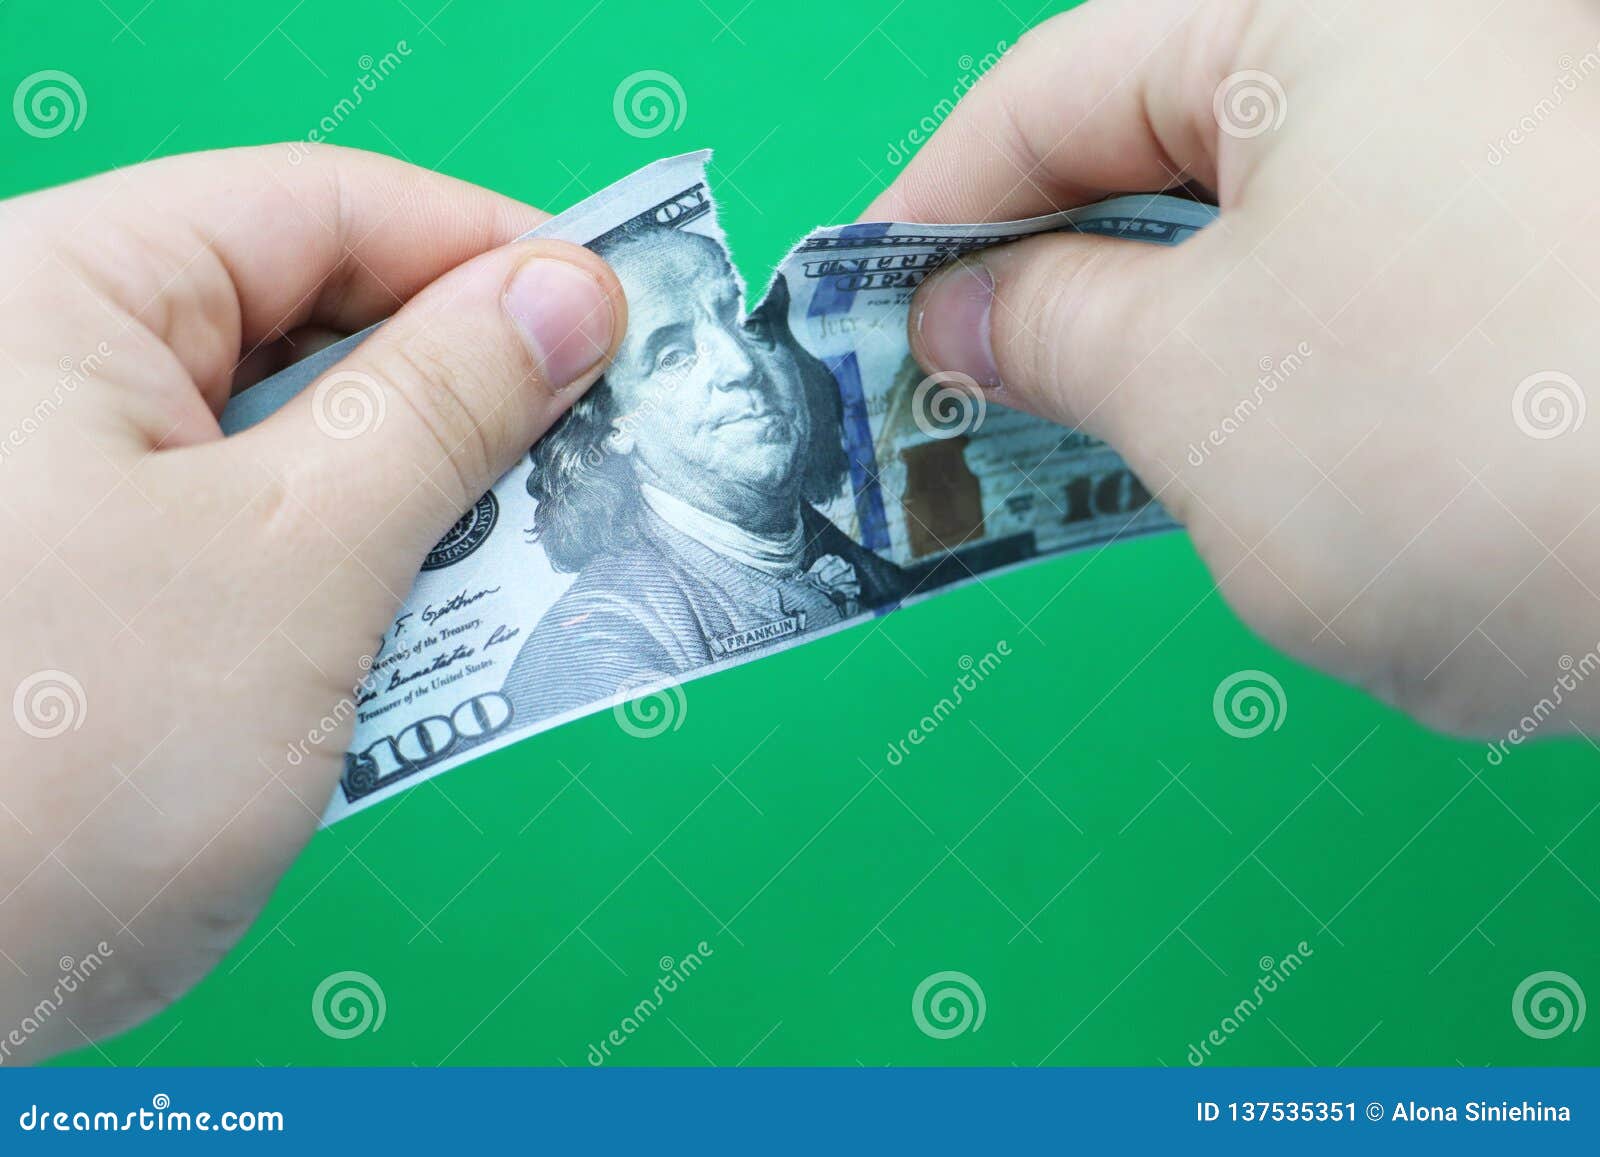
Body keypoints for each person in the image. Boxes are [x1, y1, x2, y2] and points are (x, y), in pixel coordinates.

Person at [1, 0, 1595, 1060]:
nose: (743, 373)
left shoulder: (826, 553)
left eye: (730, 332)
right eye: (668, 346)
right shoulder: (601, 632)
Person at [499, 226, 909, 724]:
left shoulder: (875, 571)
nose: (740, 365)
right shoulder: (597, 651)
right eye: (672, 357)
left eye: (749, 321)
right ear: (612, 428)